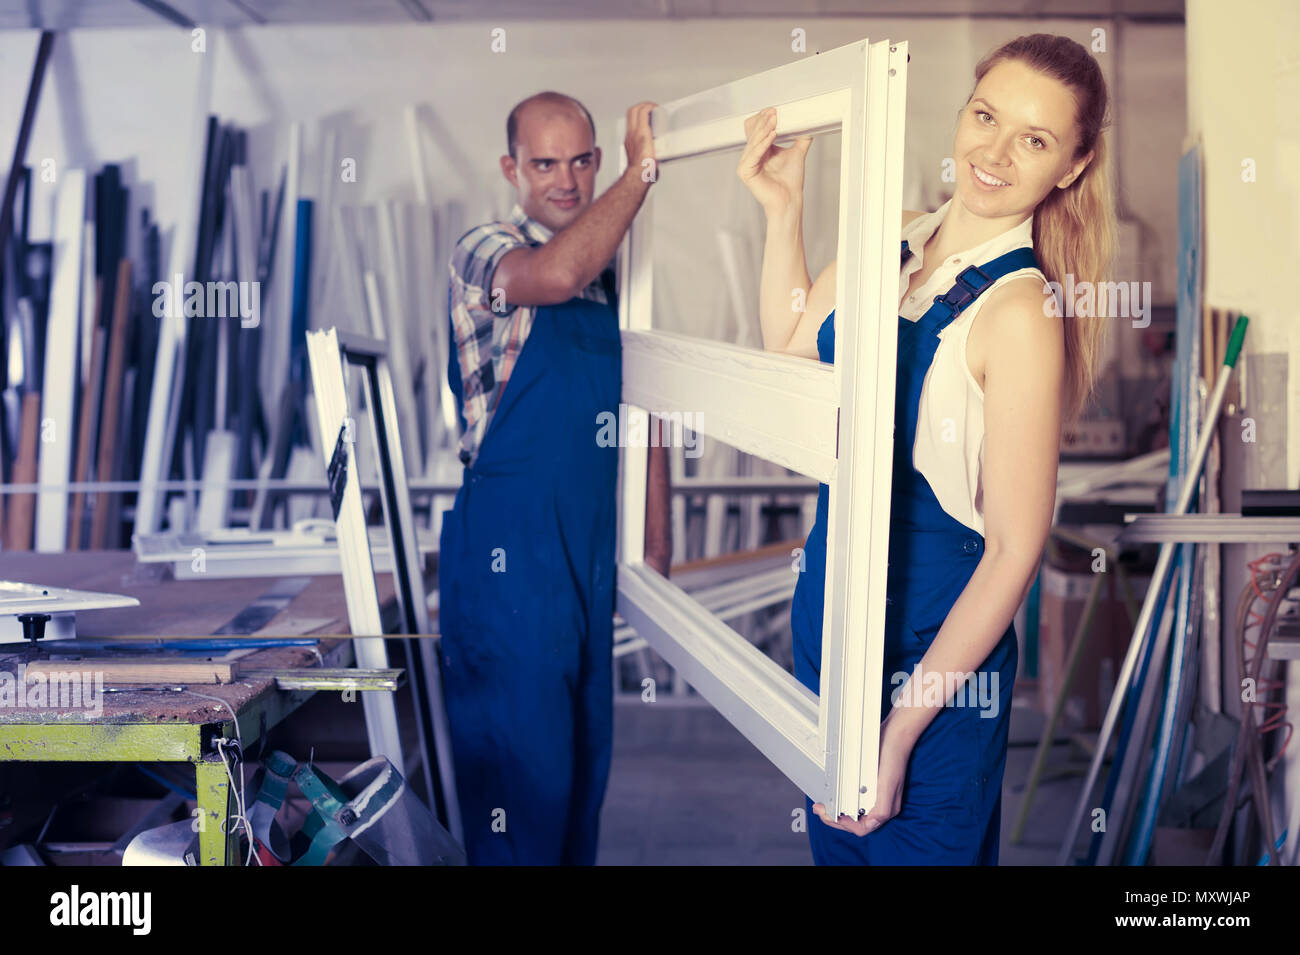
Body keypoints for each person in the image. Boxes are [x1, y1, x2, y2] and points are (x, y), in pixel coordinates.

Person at [737, 33, 1113, 864]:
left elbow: (1016, 550)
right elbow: (792, 353)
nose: (995, 151)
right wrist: (783, 209)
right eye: (986, 116)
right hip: (834, 619)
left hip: (932, 663)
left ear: (1074, 165)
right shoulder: (894, 242)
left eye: (1035, 139)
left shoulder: (1019, 313)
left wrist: (902, 730)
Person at [440, 92, 671, 865]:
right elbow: (559, 272)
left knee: (578, 783)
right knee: (520, 786)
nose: (565, 179)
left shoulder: (617, 274)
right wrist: (643, 171)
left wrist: (654, 551)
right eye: (545, 162)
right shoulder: (487, 248)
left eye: (581, 160)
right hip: (507, 563)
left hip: (585, 562)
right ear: (512, 168)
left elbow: (650, 408)